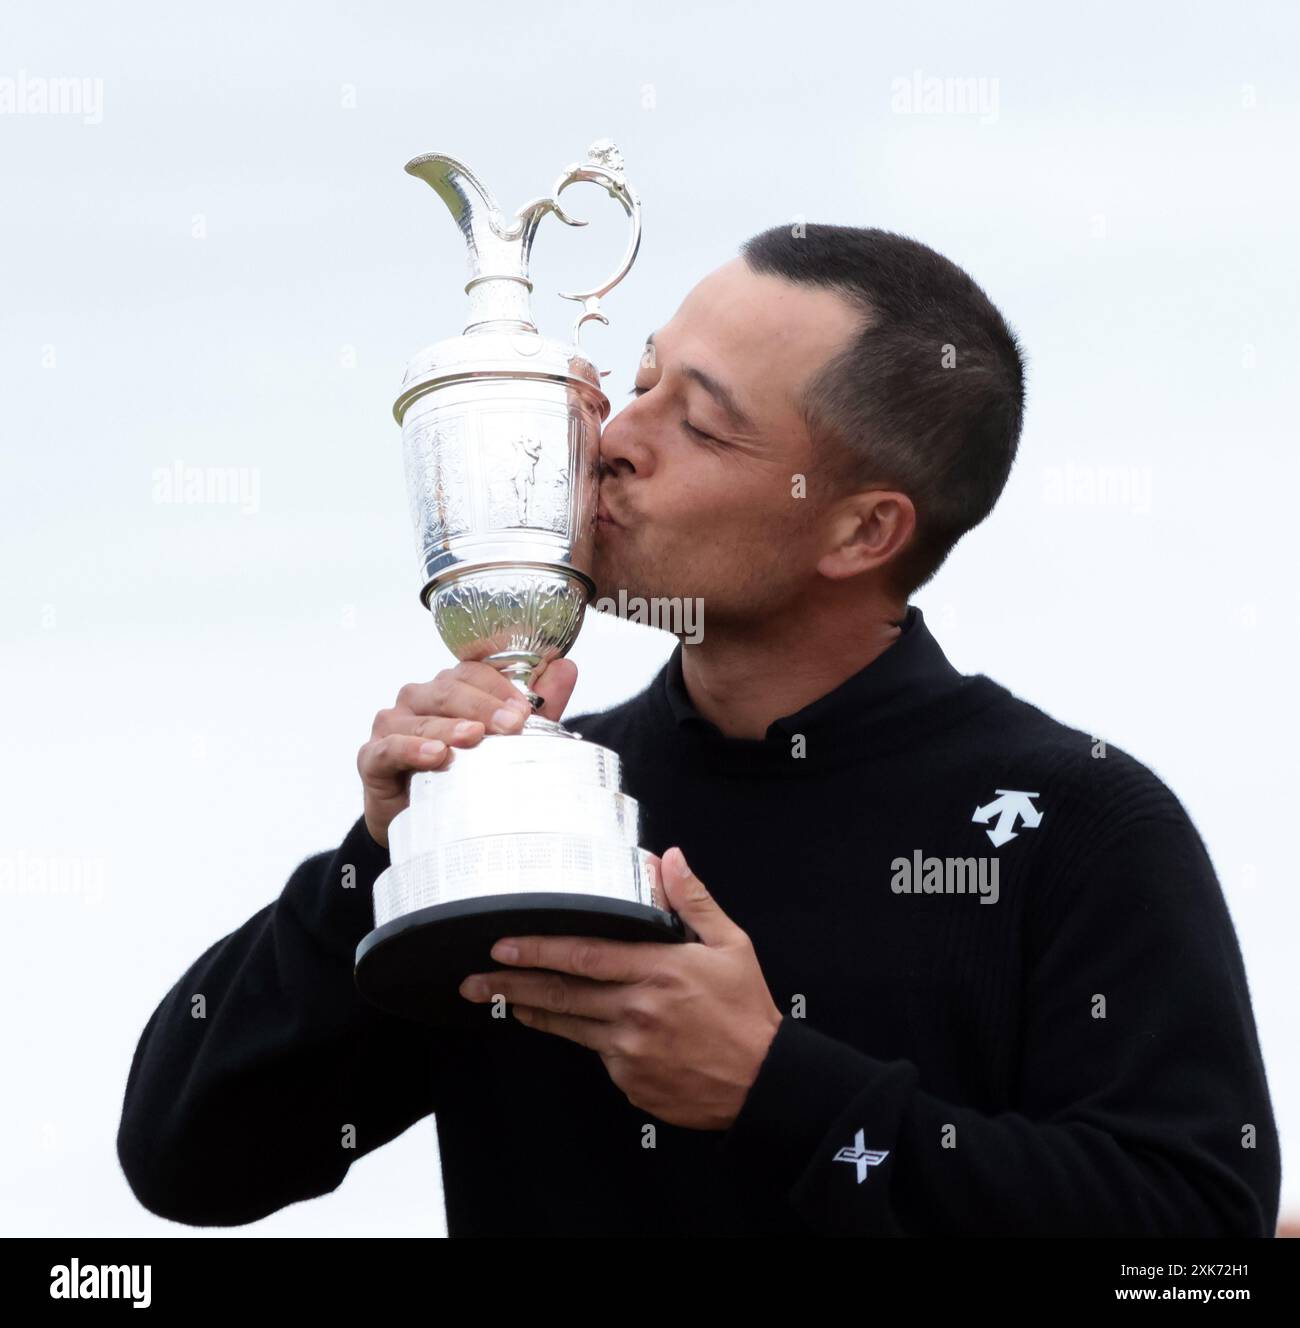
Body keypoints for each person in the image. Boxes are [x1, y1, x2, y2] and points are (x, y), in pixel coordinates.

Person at [116, 225, 1281, 1236]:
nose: (615, 436)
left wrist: (781, 1089)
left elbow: (1192, 1234)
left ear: (861, 529)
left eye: (703, 424)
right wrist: (378, 862)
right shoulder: (546, 805)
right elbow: (188, 1160)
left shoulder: (1071, 819)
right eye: (641, 379)